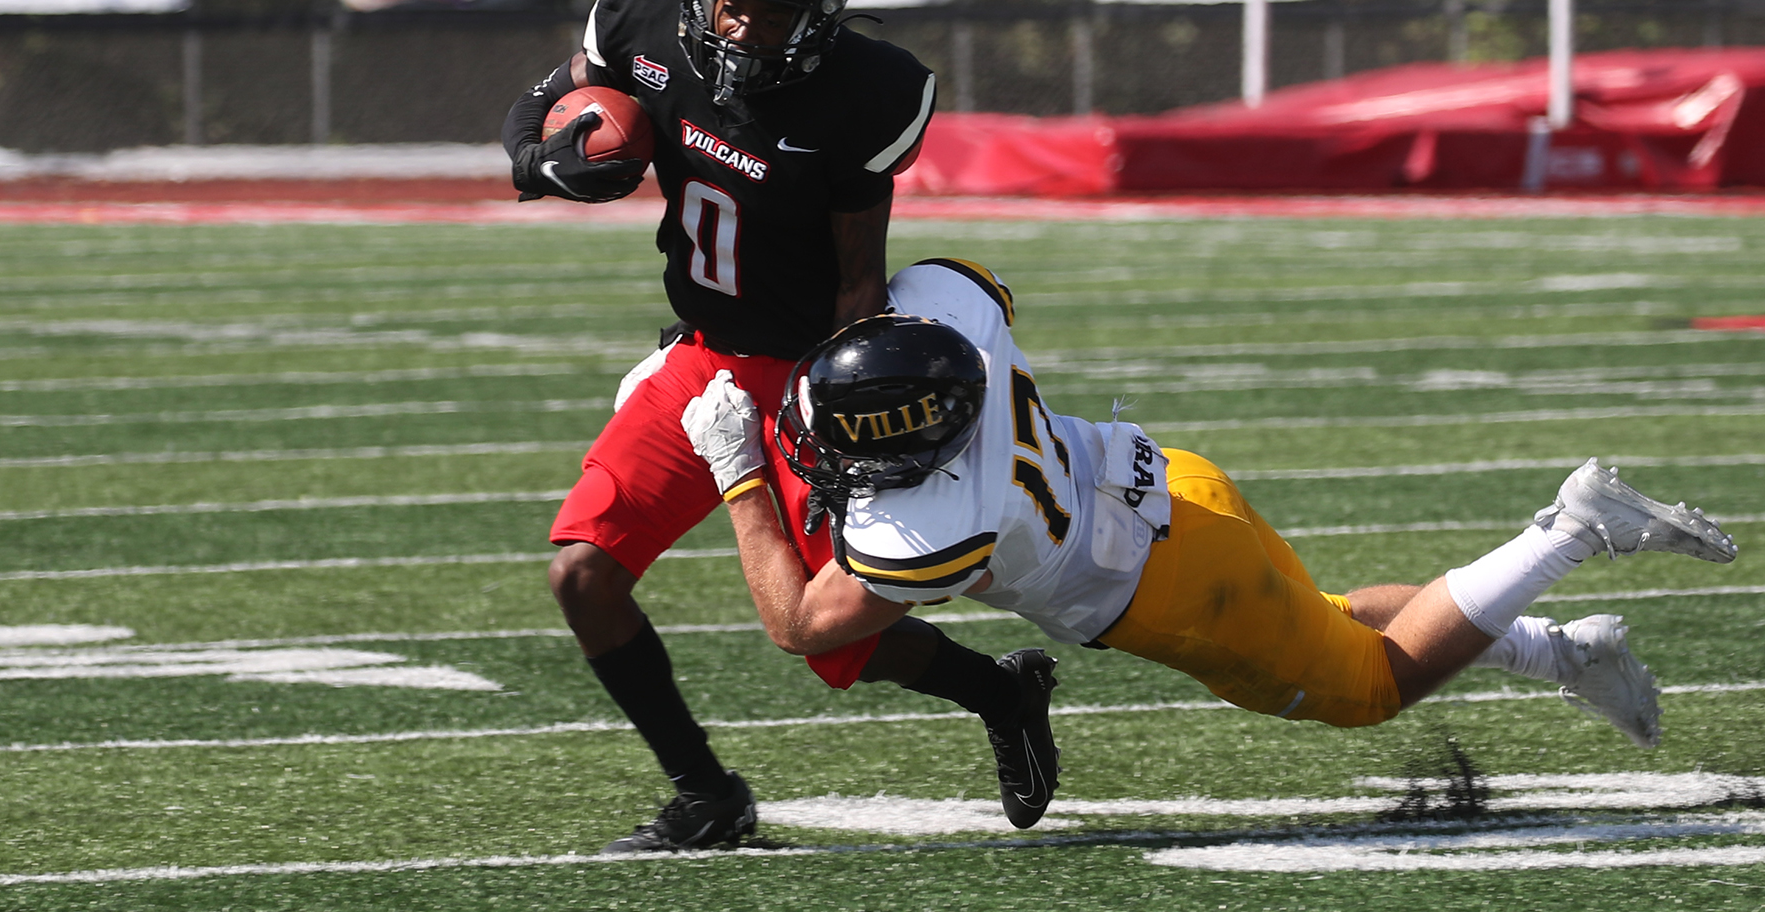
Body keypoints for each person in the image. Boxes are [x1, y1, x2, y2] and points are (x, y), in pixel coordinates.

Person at [680, 258, 1741, 825]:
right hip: (1171, 483)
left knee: (1367, 685)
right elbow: (965, 294)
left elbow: (799, 624)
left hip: (1168, 590)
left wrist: (738, 473)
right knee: (1328, 621)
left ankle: (1567, 532)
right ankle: (1567, 651)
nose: (826, 461)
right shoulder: (948, 318)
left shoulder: (940, 520)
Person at [502, 0, 1037, 853]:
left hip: (801, 374)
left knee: (831, 634)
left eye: (775, 9)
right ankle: (707, 795)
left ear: (822, 15)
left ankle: (1000, 689)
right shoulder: (643, 12)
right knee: (582, 576)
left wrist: (847, 425)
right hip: (701, 358)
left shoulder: (860, 93)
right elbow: (545, 107)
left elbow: (856, 281)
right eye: (730, 3)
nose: (743, 26)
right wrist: (546, 163)